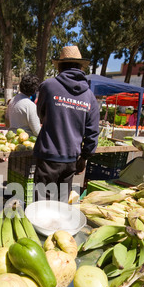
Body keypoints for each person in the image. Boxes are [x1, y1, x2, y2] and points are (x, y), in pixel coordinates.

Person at [33, 45, 100, 202]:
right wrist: (84, 157)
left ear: (60, 67)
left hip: (49, 157)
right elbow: (93, 131)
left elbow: (41, 114)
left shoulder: (48, 86)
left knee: (42, 204)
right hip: (71, 159)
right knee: (61, 203)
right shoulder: (89, 96)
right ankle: (59, 227)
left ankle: (40, 227)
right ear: (80, 68)